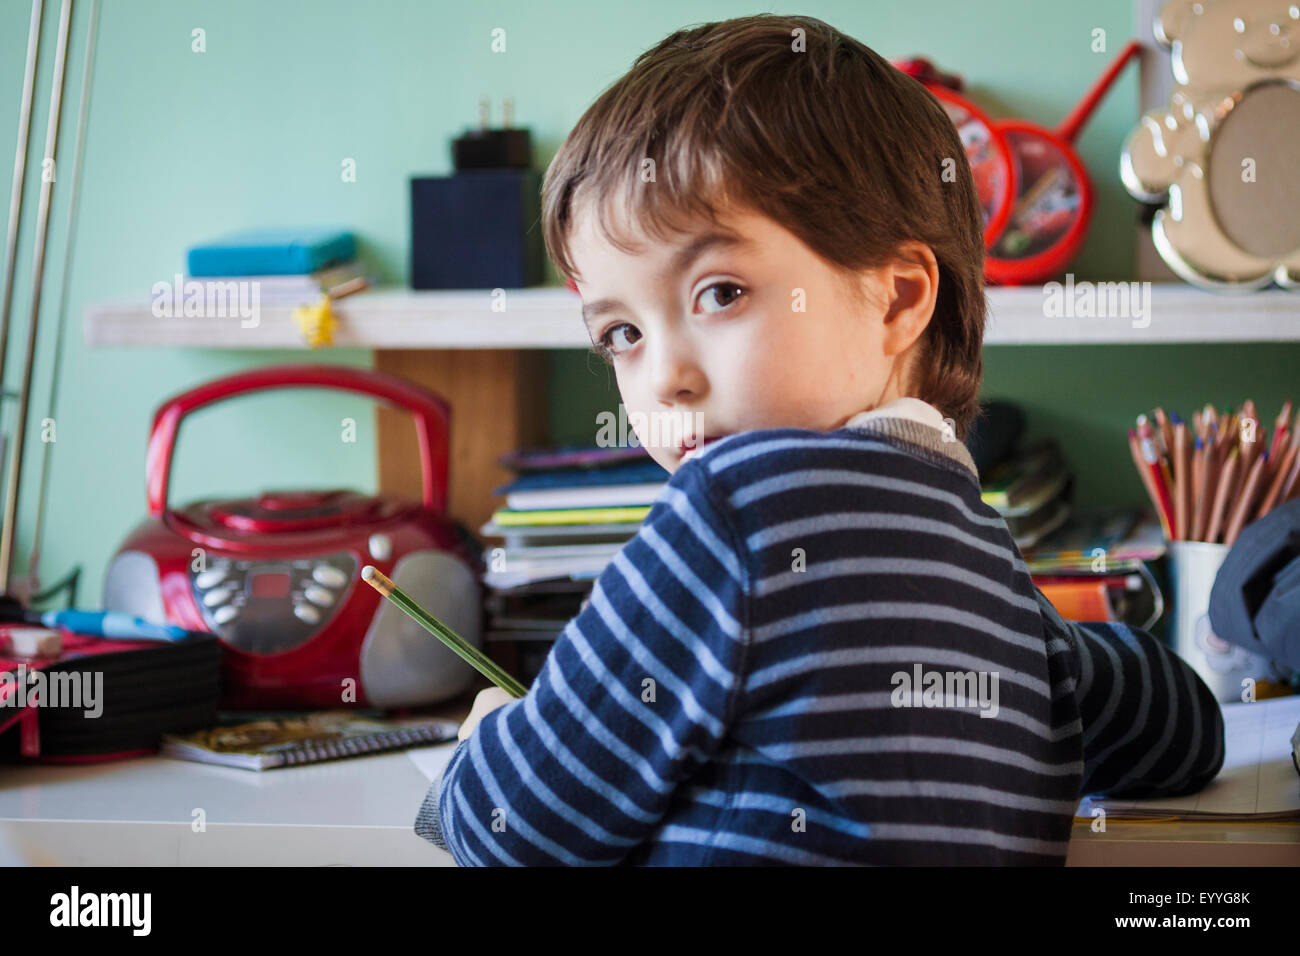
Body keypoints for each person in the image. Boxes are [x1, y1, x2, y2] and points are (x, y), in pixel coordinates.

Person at [414, 13, 1224, 865]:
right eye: (620, 334)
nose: (663, 379)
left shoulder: (732, 514)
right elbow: (1184, 730)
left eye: (720, 292)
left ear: (899, 298)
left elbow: (526, 825)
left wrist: (479, 754)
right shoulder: (994, 568)